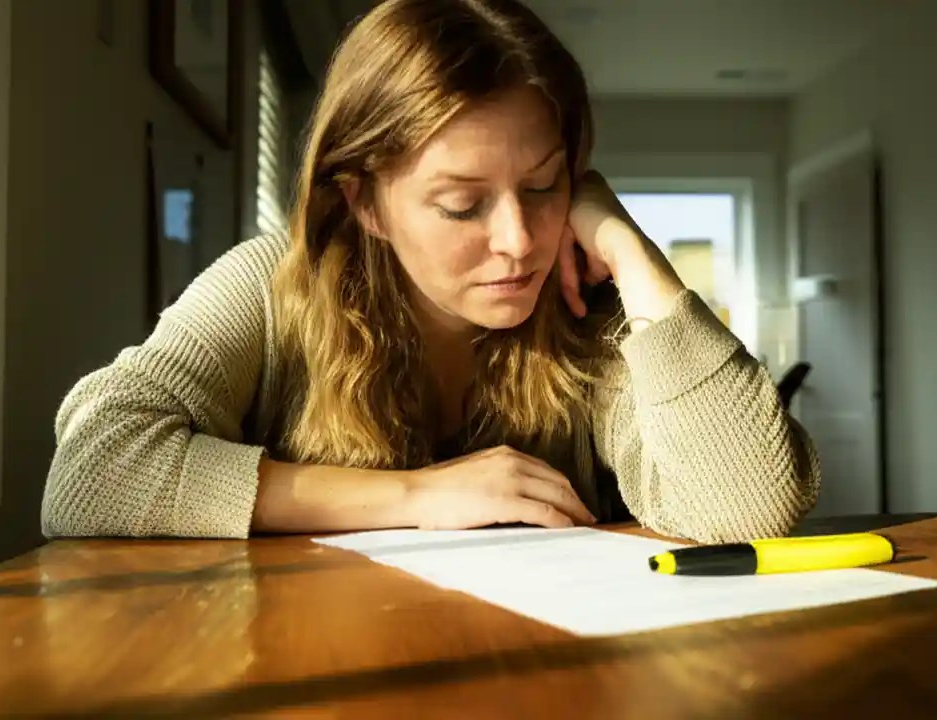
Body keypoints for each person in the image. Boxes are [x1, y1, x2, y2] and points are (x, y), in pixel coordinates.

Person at [41, 0, 819, 542]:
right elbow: (91, 470)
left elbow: (746, 504)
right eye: (461, 205)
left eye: (545, 186)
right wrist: (416, 497)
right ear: (366, 203)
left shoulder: (591, 312)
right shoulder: (270, 289)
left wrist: (626, 245)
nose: (520, 241)